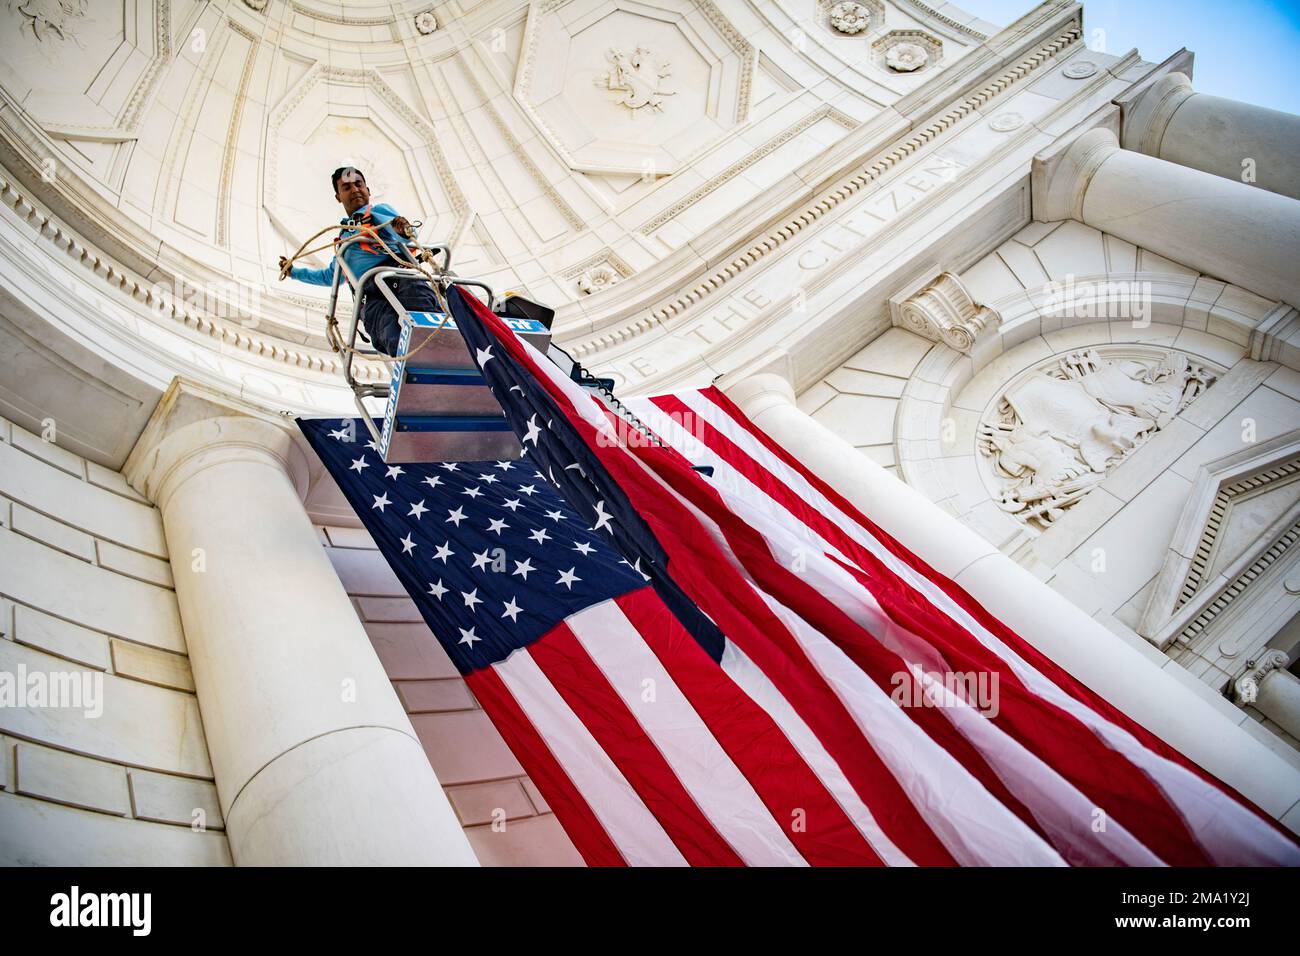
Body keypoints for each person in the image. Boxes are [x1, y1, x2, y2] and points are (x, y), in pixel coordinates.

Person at [277, 166, 436, 357]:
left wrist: (401, 228)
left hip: (395, 277)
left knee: (420, 308)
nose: (354, 190)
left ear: (368, 190)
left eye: (358, 184)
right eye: (347, 187)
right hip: (368, 297)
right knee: (386, 331)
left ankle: (440, 342)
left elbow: (404, 233)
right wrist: (294, 272)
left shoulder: (376, 212)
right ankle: (412, 361)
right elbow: (330, 277)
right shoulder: (344, 241)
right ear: (338, 196)